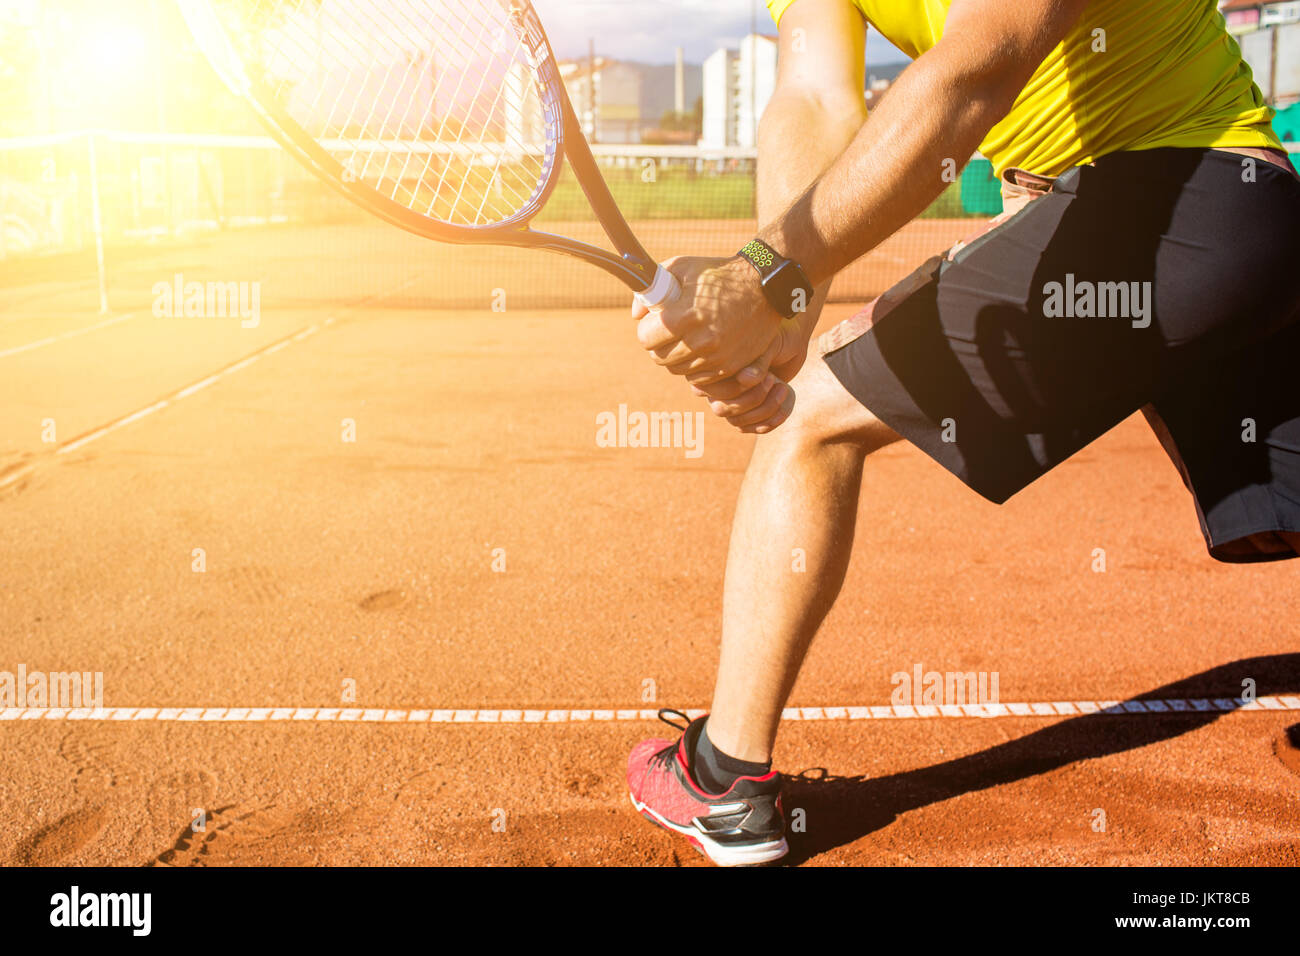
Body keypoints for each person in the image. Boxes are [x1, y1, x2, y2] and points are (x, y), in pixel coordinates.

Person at [625, 0, 1300, 866]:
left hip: (1175, 206)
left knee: (809, 425)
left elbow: (975, 71)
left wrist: (764, 277)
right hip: (1229, 220)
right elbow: (815, 97)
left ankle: (722, 779)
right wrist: (789, 291)